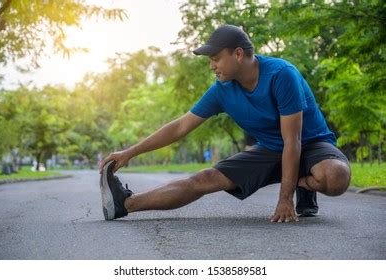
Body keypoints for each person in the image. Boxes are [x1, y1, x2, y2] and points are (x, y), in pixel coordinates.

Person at [99, 25, 351, 223]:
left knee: (336, 176)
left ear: (238, 54)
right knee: (204, 179)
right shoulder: (222, 90)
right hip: (271, 149)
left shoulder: (282, 75)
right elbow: (180, 126)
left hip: (309, 144)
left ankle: (300, 184)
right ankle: (125, 204)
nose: (212, 66)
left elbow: (293, 140)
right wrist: (130, 152)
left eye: (216, 58)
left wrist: (285, 199)